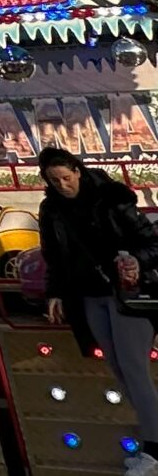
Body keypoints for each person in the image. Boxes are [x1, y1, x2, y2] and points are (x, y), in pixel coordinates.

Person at [38, 147, 158, 475]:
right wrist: (55, 294)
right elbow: (54, 257)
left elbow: (151, 243)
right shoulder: (52, 210)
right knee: (119, 369)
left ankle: (155, 450)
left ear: (78, 170)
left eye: (67, 177)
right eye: (55, 180)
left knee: (134, 369)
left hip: (126, 293)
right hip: (90, 296)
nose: (63, 184)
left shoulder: (112, 197)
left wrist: (136, 261)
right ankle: (153, 442)